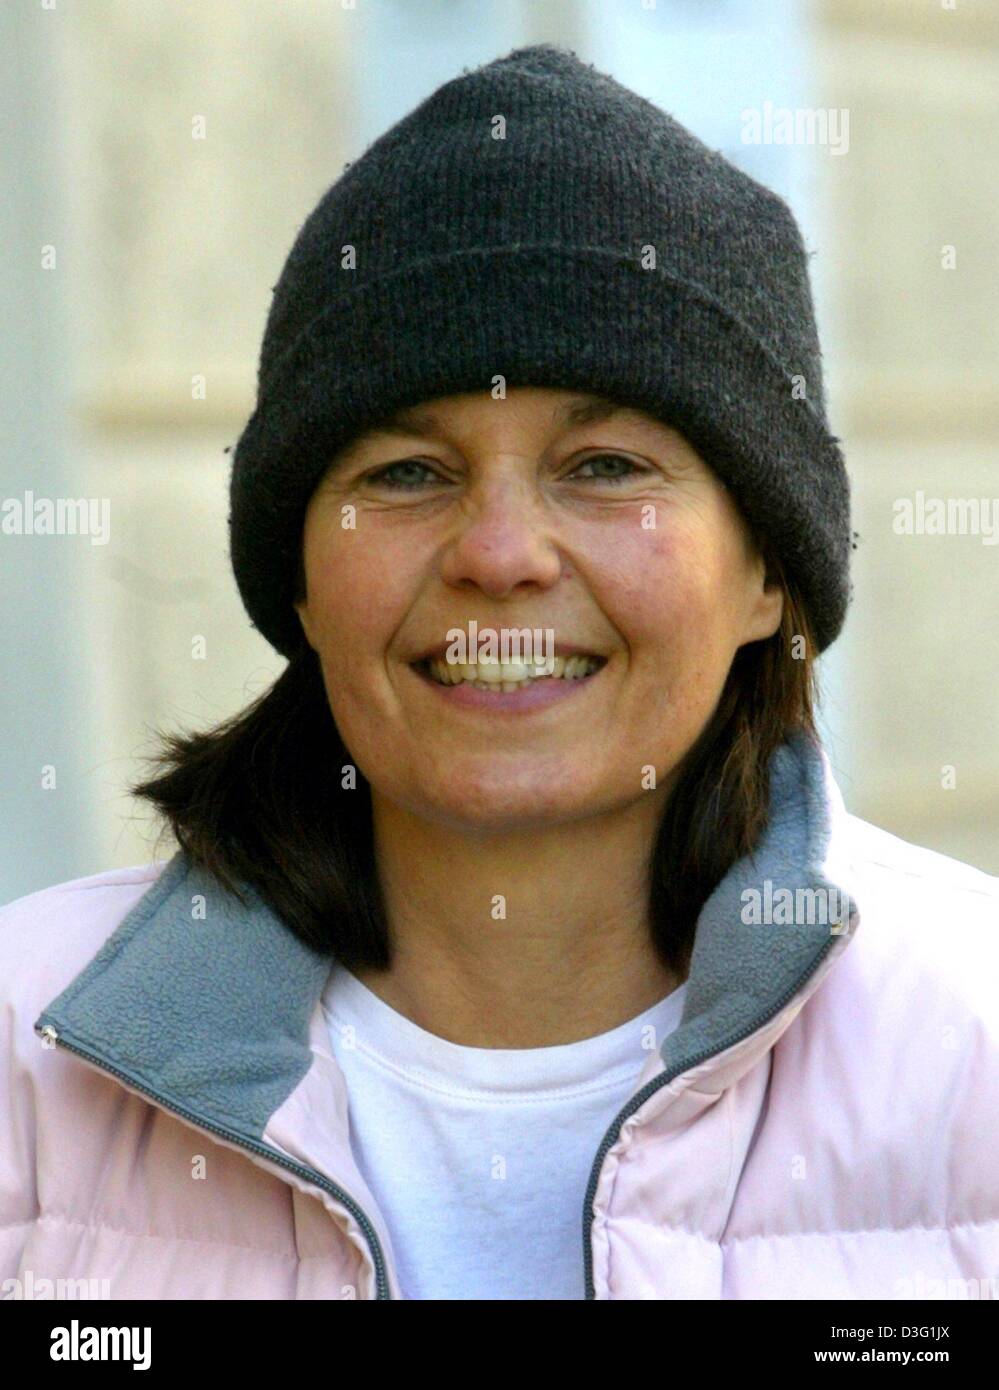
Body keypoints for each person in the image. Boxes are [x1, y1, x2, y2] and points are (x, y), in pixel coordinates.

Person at [2, 43, 998, 1303]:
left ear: (768, 571)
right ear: (300, 578)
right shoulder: (29, 1058)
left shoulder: (979, 1047)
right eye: (407, 473)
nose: (501, 553)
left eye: (605, 467)